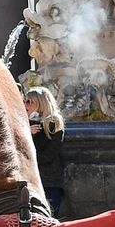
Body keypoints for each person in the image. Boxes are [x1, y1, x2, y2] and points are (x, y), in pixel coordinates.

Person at [24, 85, 66, 214]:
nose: (25, 104)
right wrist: (27, 132)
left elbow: (50, 153)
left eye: (29, 101)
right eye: (25, 100)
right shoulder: (26, 123)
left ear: (40, 103)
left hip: (49, 181)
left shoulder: (52, 122)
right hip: (32, 180)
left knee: (49, 218)